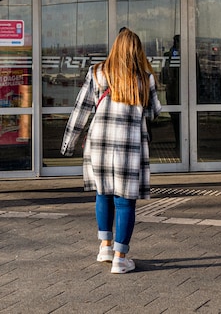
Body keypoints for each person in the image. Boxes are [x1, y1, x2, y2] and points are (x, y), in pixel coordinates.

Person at [60, 28, 162, 274]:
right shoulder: (145, 78)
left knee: (103, 193)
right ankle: (120, 257)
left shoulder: (96, 73)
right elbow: (154, 112)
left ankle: (104, 246)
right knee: (125, 201)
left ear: (115, 47)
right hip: (129, 146)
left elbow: (81, 110)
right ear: (137, 50)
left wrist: (68, 143)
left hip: (100, 144)